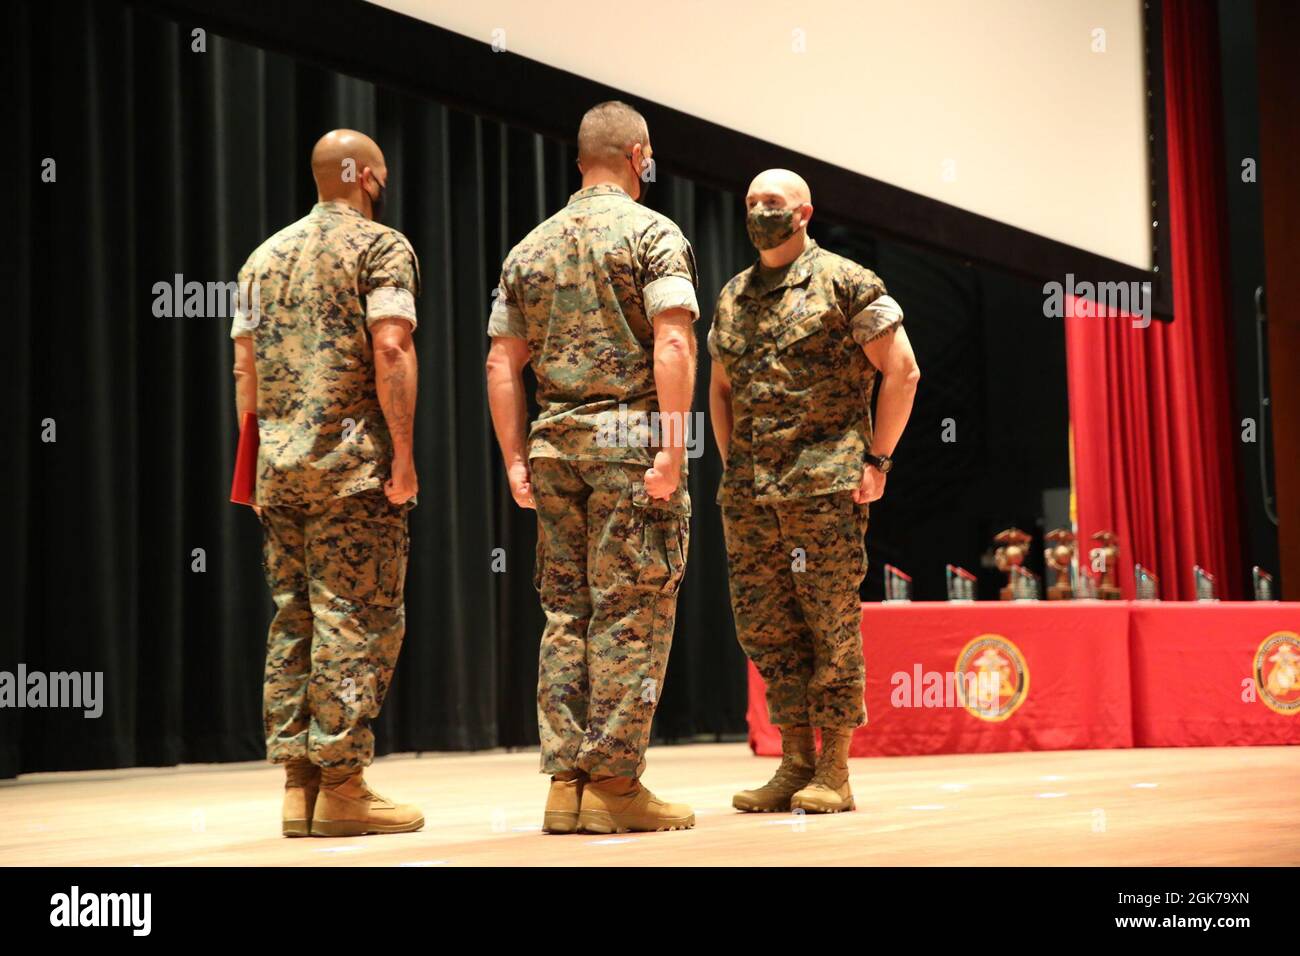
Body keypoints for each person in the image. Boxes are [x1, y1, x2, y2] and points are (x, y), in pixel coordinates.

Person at [485, 101, 699, 834]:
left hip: (554, 449)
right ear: (638, 154)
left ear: (581, 160)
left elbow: (500, 361)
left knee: (566, 614)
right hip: (628, 446)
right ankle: (613, 781)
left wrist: (515, 458)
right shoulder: (652, 233)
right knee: (630, 613)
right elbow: (673, 343)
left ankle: (566, 783)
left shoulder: (529, 247)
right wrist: (673, 445)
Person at [231, 129, 424, 837]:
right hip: (350, 471)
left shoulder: (261, 258)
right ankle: (342, 788)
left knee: (294, 619)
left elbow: (244, 371)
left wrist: (249, 467)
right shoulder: (381, 247)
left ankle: (298, 785)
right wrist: (402, 455)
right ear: (369, 177)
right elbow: (392, 344)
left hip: (278, 471)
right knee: (357, 618)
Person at [709, 168, 920, 814]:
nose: (759, 212)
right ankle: (794, 761)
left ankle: (835, 769)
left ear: (804, 212)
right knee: (768, 630)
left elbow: (903, 370)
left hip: (824, 488)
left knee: (829, 627)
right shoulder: (734, 295)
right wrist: (733, 467)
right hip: (750, 497)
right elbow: (719, 390)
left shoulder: (848, 282)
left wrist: (877, 460)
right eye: (750, 202)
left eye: (771, 202)